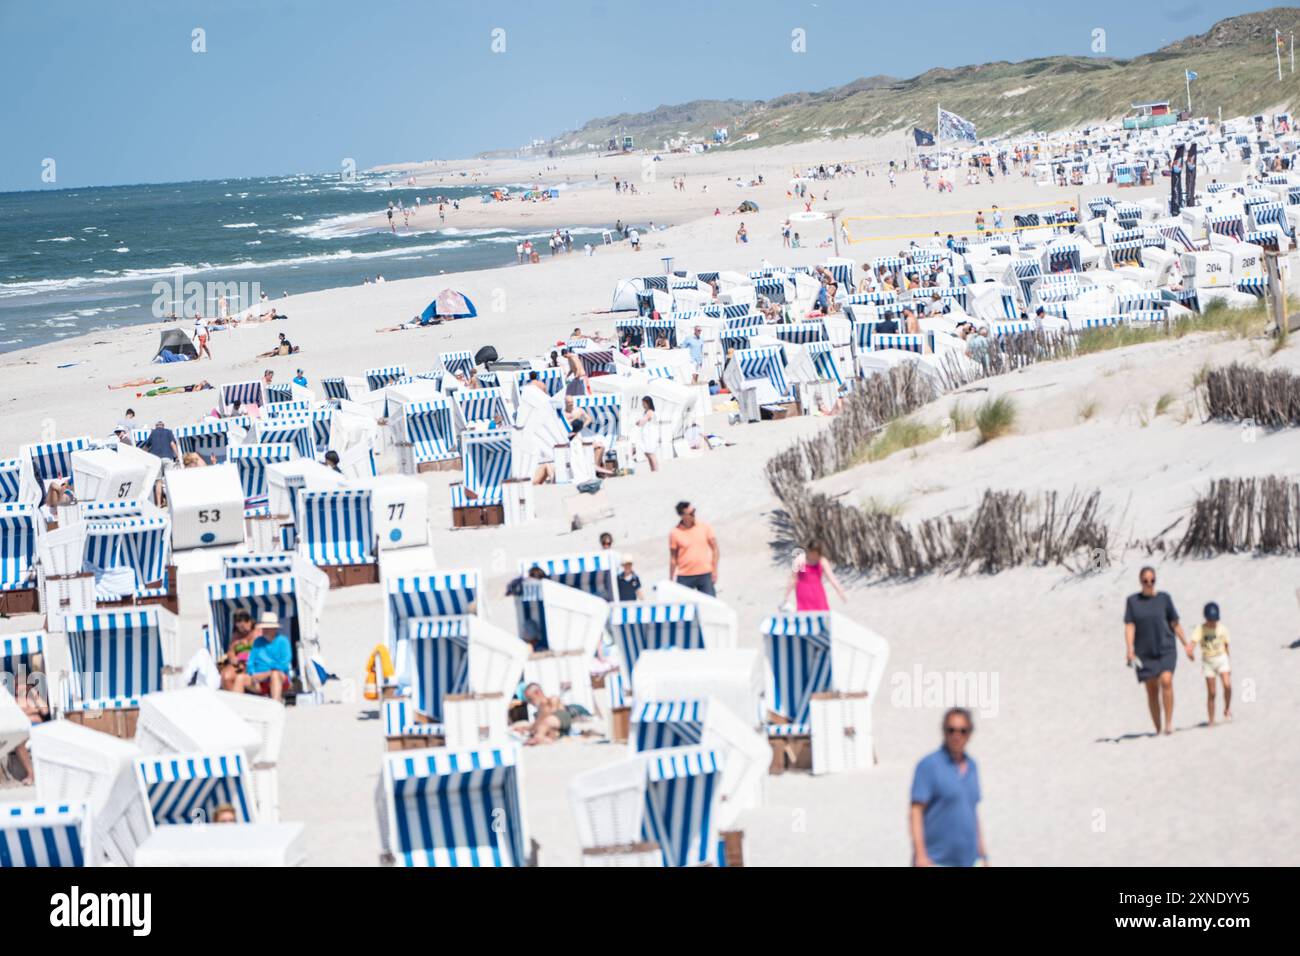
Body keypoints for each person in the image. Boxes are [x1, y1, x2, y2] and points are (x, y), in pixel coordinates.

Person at [910, 708, 988, 867]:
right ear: (944, 731)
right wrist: (920, 856)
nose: (956, 736)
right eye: (951, 730)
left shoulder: (973, 766)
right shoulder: (929, 765)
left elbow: (972, 813)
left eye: (962, 731)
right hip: (936, 861)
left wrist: (983, 856)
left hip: (970, 861)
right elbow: (915, 811)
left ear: (970, 734)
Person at [1124, 566, 1194, 736]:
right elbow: (1130, 626)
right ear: (1141, 581)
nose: (1149, 583)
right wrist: (1129, 649)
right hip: (1144, 652)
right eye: (1145, 581)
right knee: (1151, 690)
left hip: (1166, 648)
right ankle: (1157, 728)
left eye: (1152, 580)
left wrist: (1186, 645)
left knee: (1166, 681)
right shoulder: (1133, 601)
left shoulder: (1164, 599)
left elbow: (1174, 623)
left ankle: (1169, 723)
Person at [1192, 601, 1232, 725]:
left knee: (1227, 685)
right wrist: (1190, 650)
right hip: (1208, 661)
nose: (1213, 622)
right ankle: (1211, 720)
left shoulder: (1222, 629)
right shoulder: (1200, 629)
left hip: (1221, 658)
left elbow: (1226, 645)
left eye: (1215, 620)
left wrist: (1227, 661)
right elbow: (1193, 642)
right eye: (1210, 620)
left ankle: (1226, 708)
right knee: (1212, 692)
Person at [669, 500, 719, 596]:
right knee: (684, 606)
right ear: (682, 515)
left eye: (694, 511)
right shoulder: (674, 533)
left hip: (705, 574)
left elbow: (715, 548)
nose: (694, 515)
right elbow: (673, 558)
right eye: (691, 513)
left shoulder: (704, 527)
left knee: (709, 604)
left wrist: (715, 570)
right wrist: (671, 577)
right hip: (684, 576)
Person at [513, 682, 586, 745]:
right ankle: (542, 738)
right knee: (542, 727)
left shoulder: (550, 700)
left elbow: (556, 712)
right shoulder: (538, 711)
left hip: (561, 718)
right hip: (553, 724)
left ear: (537, 692)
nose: (530, 702)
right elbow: (538, 724)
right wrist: (527, 728)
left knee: (547, 722)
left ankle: (539, 737)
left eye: (530, 699)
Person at [782, 542, 846, 611]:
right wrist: (786, 595)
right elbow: (793, 578)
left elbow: (831, 578)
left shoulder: (822, 561)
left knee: (822, 612)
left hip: (817, 591)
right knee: (805, 615)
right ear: (808, 551)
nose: (814, 556)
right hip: (803, 591)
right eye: (812, 553)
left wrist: (840, 592)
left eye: (816, 554)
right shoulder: (800, 560)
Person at [247, 610, 292, 701]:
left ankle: (275, 703)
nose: (264, 630)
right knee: (240, 678)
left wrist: (267, 673)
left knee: (275, 675)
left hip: (278, 676)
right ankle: (235, 711)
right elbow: (250, 661)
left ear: (274, 629)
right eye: (264, 628)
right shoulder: (257, 641)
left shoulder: (283, 641)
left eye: (267, 628)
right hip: (259, 677)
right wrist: (253, 674)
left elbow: (284, 665)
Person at [219, 609, 258, 693]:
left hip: (254, 665)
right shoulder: (236, 635)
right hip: (240, 665)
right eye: (239, 628)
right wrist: (232, 658)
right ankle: (235, 701)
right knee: (226, 676)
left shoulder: (258, 632)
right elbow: (230, 652)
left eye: (244, 626)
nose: (242, 630)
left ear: (250, 622)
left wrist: (245, 657)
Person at [636, 396, 660, 472]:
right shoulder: (647, 412)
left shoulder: (649, 412)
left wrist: (638, 422)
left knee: (650, 453)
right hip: (649, 433)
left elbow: (642, 422)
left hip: (650, 434)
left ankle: (655, 469)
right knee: (648, 452)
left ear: (648, 403)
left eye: (644, 403)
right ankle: (653, 469)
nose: (643, 405)